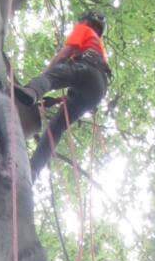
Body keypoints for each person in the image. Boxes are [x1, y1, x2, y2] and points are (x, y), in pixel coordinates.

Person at [17, 11, 111, 180]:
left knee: (51, 77)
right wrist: (56, 100)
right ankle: (34, 169)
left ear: (86, 21)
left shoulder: (84, 29)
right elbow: (84, 86)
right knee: (57, 126)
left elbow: (65, 54)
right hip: (98, 89)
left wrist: (44, 77)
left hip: (86, 68)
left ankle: (31, 92)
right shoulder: (100, 47)